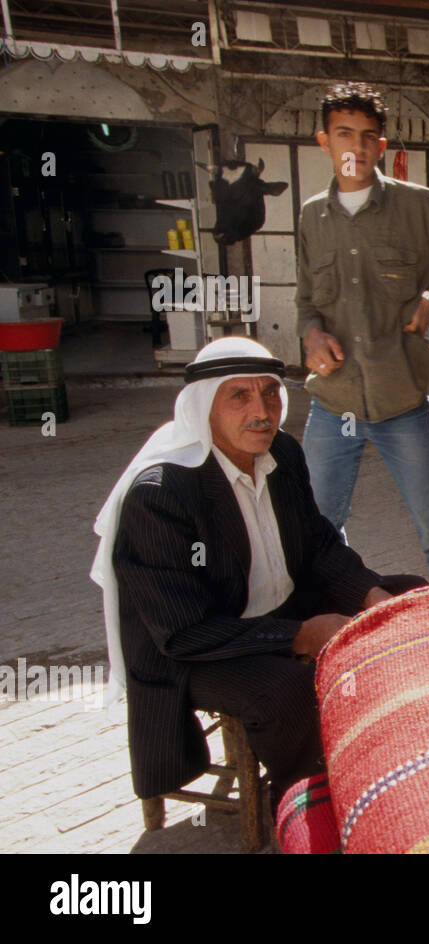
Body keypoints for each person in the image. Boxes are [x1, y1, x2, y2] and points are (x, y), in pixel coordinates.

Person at [90, 337, 403, 805]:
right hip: (202, 647)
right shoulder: (160, 495)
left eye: (270, 394)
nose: (262, 411)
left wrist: (373, 598)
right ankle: (309, 808)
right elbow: (182, 633)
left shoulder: (283, 455)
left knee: (407, 602)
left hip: (282, 607)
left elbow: (318, 546)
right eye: (239, 396)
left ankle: (383, 760)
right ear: (204, 409)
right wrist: (299, 636)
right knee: (288, 692)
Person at [296, 81, 429, 579]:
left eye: (368, 136)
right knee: (316, 531)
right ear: (324, 142)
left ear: (381, 147)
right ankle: (335, 616)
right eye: (344, 134)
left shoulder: (419, 207)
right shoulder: (312, 217)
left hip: (402, 403)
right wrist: (310, 334)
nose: (356, 147)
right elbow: (307, 300)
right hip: (334, 405)